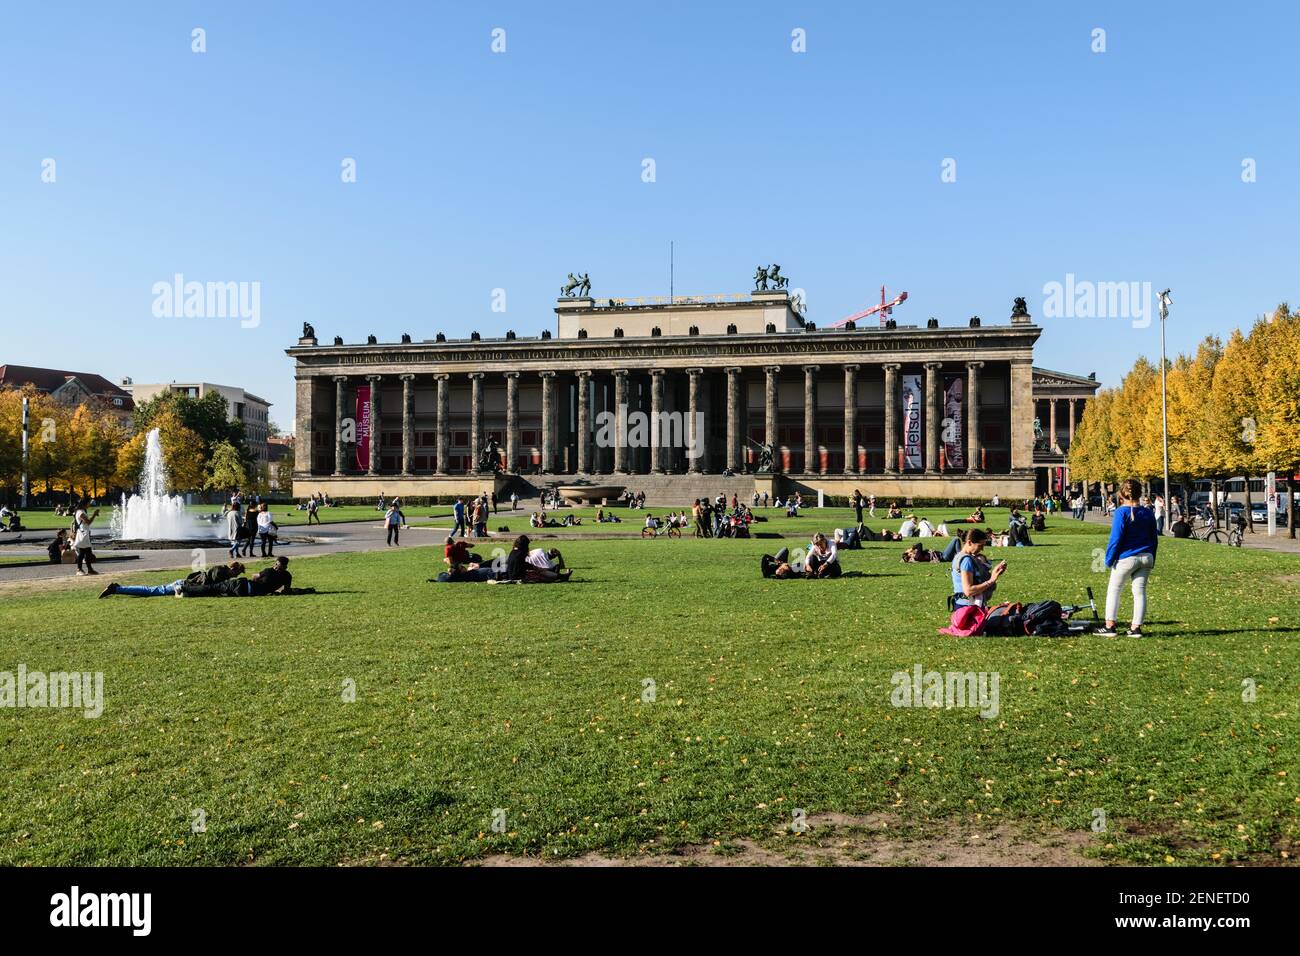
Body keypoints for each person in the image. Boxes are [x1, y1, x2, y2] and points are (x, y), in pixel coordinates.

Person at [1096, 478, 1158, 637]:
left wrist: (1109, 560)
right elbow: (1154, 538)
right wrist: (1152, 558)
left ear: (1121, 495)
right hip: (1147, 556)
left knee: (1114, 589)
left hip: (1127, 557)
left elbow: (1115, 539)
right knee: (1139, 592)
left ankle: (1110, 625)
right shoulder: (1148, 512)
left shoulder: (1121, 512)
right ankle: (1136, 628)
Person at [100, 561, 246, 598]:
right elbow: (210, 586)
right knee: (151, 591)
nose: (236, 576)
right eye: (237, 573)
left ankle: (118, 588)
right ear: (234, 568)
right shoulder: (220, 572)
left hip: (184, 583)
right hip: (183, 585)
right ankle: (116, 588)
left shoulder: (220, 571)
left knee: (151, 590)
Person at [952, 529, 1006, 609]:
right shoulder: (966, 560)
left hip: (962, 604)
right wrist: (991, 580)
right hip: (968, 607)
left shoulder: (958, 556)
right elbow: (968, 591)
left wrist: (995, 573)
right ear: (969, 542)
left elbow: (975, 580)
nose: (982, 549)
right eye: (980, 545)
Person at [73, 505, 100, 576]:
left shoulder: (82, 511)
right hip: (82, 535)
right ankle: (79, 569)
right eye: (88, 503)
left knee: (88, 552)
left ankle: (90, 569)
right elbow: (88, 522)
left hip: (85, 534)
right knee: (82, 552)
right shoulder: (80, 512)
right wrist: (94, 514)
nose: (89, 505)